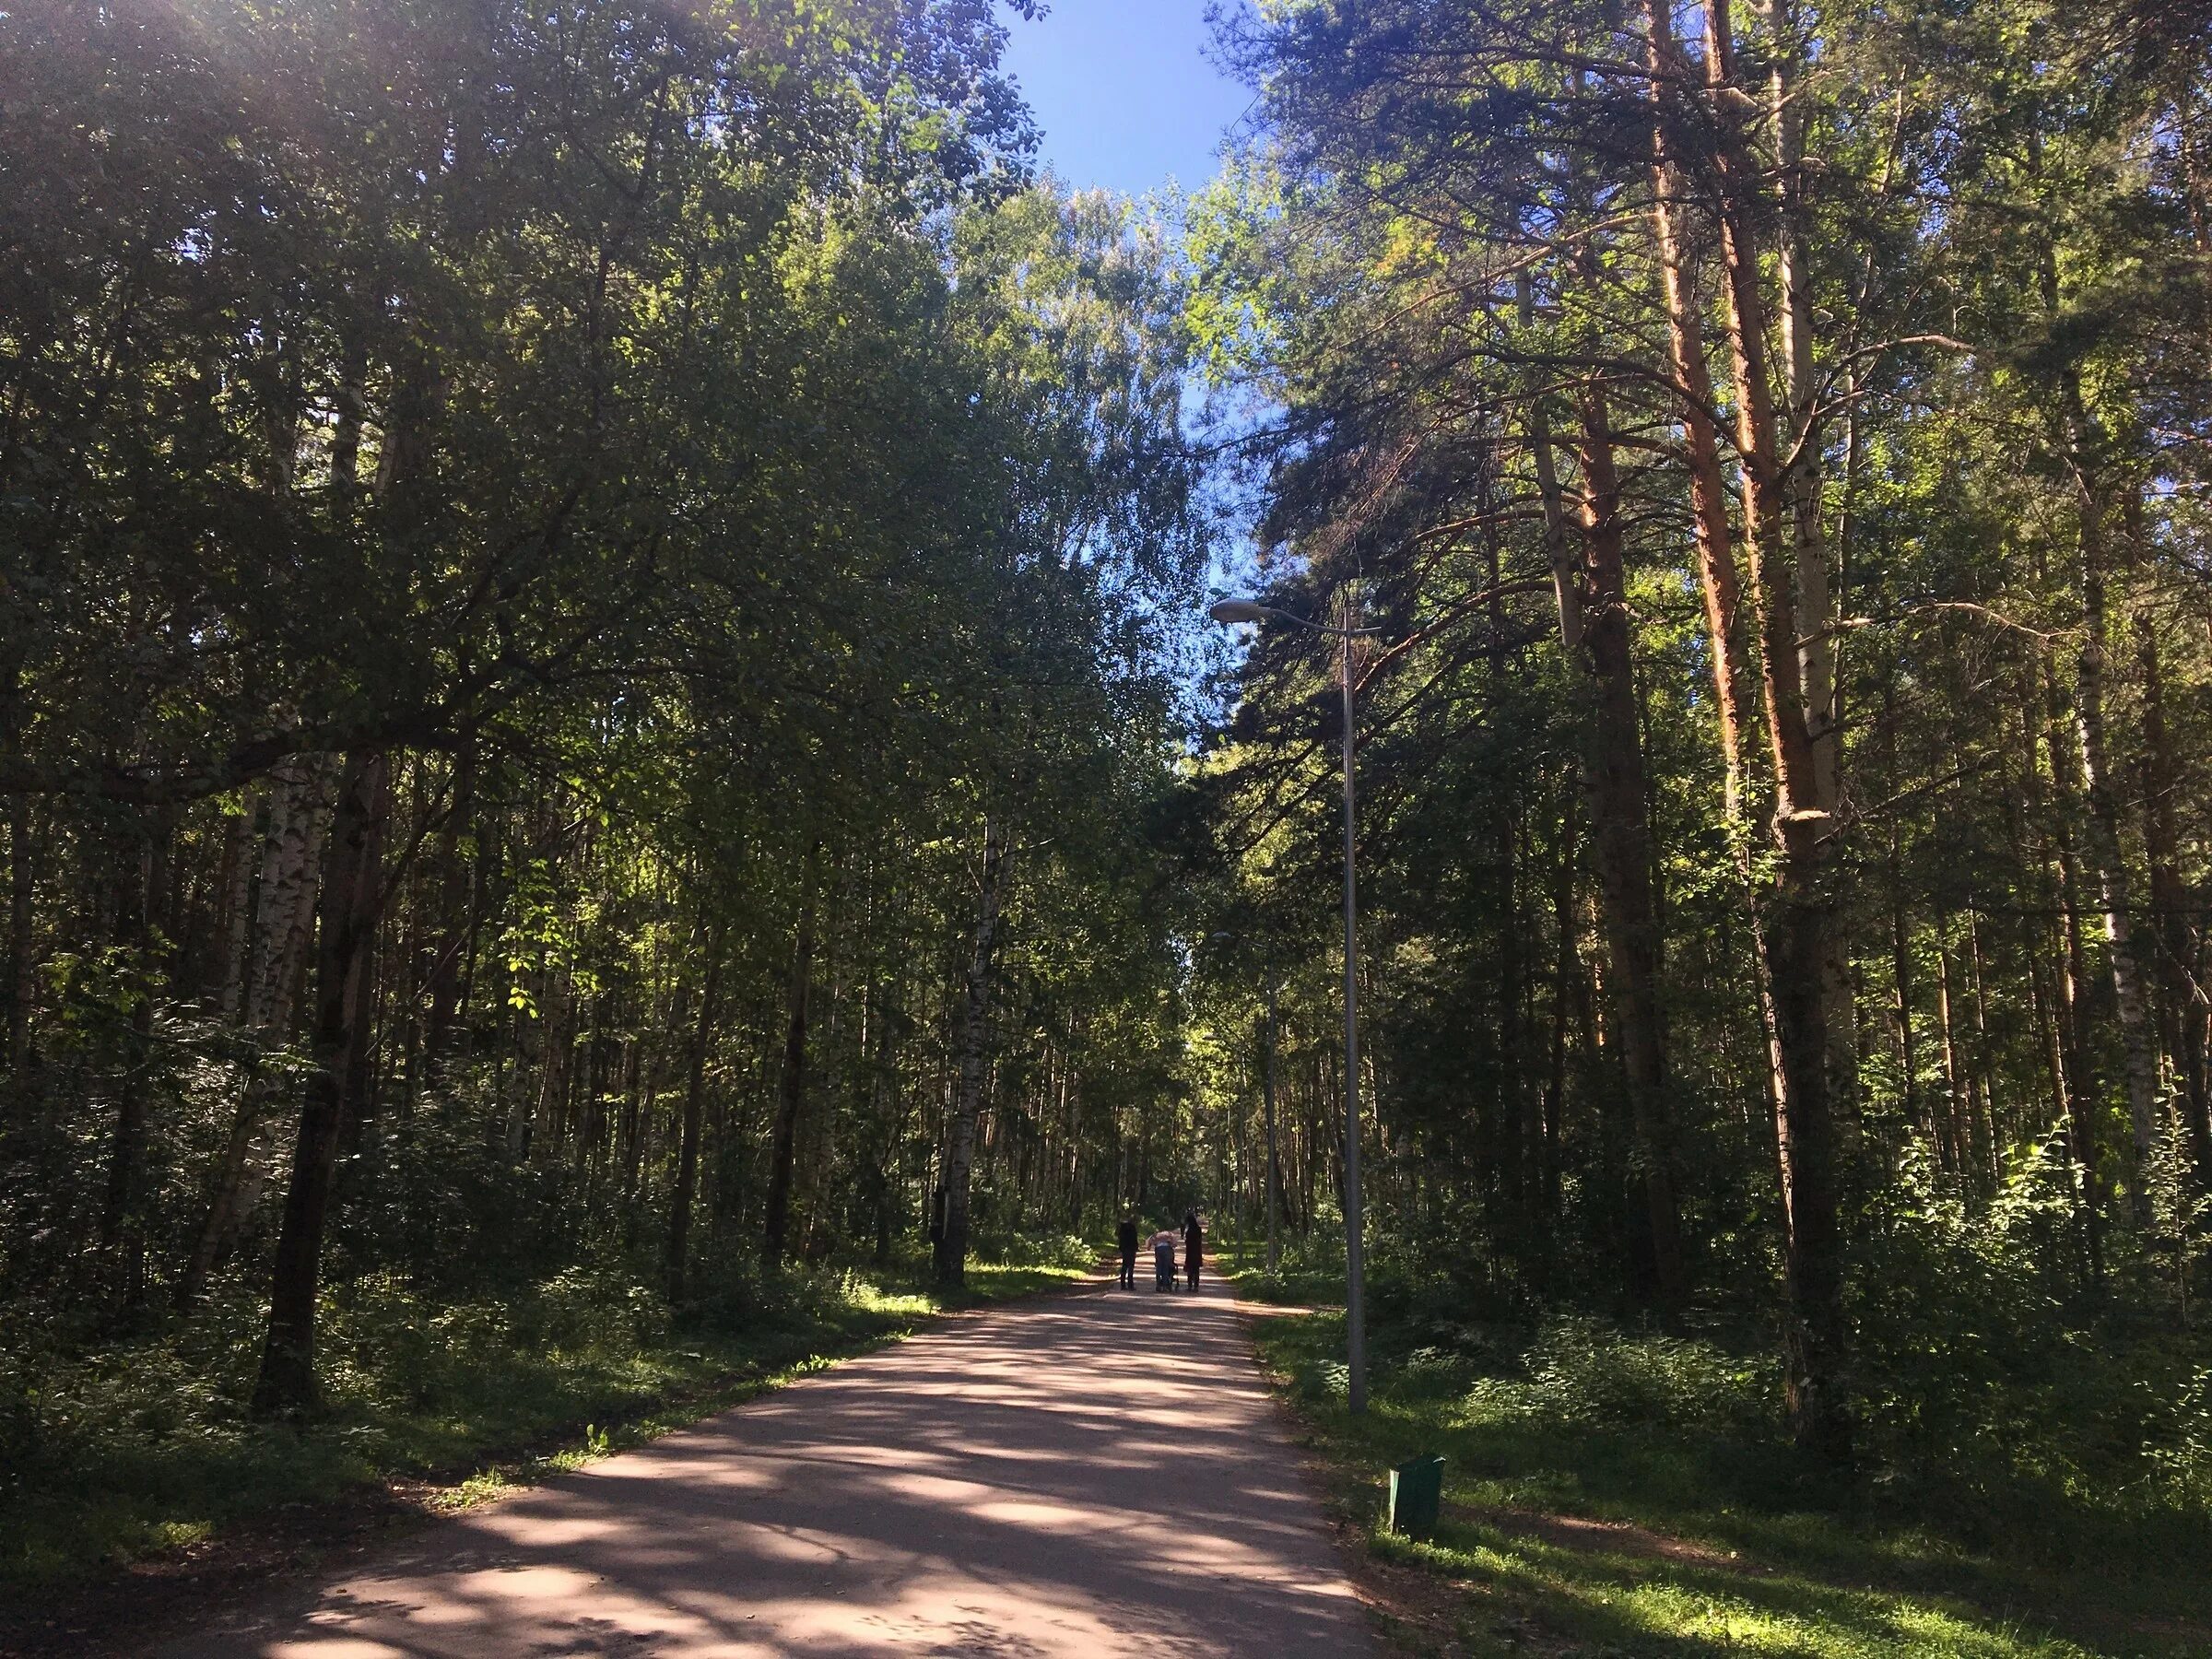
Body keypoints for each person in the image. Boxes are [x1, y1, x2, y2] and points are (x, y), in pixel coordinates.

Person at [1182, 1208, 1204, 1292]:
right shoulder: (1198, 1229)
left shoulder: (1189, 1231)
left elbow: (1187, 1241)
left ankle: (1190, 1285)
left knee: (1190, 1269)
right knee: (1196, 1269)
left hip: (1190, 1251)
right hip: (1197, 1251)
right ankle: (1196, 1286)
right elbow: (1200, 1239)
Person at [1116, 1213, 1139, 1288]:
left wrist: (1121, 1248)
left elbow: (1120, 1238)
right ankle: (1130, 1285)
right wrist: (1136, 1247)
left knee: (1124, 1266)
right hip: (1131, 1249)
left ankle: (1122, 1285)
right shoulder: (1133, 1228)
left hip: (1125, 1249)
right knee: (1131, 1267)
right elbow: (1134, 1239)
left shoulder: (1122, 1228)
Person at [1151, 1226, 1178, 1291]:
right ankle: (1165, 1285)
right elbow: (1174, 1244)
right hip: (1167, 1249)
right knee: (1166, 1267)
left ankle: (1158, 1284)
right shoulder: (1170, 1234)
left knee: (1159, 1266)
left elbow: (1150, 1242)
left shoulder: (1156, 1235)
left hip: (1158, 1249)